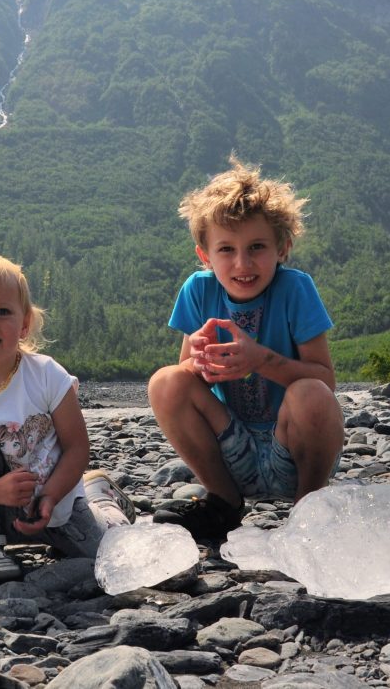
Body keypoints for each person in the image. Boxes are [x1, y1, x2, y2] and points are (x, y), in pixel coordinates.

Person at [148, 156, 345, 543]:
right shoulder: (198, 290)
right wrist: (199, 364)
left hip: (293, 446)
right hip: (231, 449)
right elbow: (188, 378)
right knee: (166, 382)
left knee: (311, 392)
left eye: (257, 247)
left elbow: (325, 380)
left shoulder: (296, 289)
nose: (243, 263)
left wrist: (261, 361)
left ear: (282, 248)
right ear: (204, 255)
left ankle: (309, 505)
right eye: (226, 250)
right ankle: (224, 500)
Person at [0, 253, 134, 583]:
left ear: (24, 323)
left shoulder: (46, 376)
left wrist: (50, 497)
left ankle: (101, 497)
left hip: (58, 506)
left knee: (110, 554)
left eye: (1, 312)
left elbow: (77, 448)